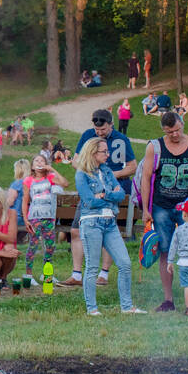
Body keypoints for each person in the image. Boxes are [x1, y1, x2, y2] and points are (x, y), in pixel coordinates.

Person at [59, 109, 138, 289]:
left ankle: (103, 273)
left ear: (111, 124)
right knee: (76, 230)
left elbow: (133, 166)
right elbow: (75, 161)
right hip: (90, 187)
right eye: (97, 130)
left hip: (112, 190)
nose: (99, 133)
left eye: (103, 130)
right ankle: (76, 274)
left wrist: (109, 175)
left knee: (108, 230)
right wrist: (90, 173)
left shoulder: (121, 140)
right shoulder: (88, 136)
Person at [139, 111, 188, 312]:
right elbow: (145, 178)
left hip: (187, 205)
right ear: (164, 131)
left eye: (178, 130)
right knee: (165, 250)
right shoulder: (155, 147)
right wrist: (146, 208)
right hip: (162, 205)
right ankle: (168, 299)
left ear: (182, 124)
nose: (175, 135)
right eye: (170, 132)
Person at [73, 138, 145, 316]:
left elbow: (120, 194)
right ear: (92, 153)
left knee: (125, 263)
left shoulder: (106, 171)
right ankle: (92, 308)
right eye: (104, 151)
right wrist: (109, 195)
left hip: (110, 222)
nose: (108, 155)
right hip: (92, 223)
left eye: (107, 151)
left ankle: (127, 307)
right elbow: (88, 201)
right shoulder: (81, 174)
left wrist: (103, 195)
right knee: (91, 267)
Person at [22, 153, 67, 290]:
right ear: (32, 166)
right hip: (34, 217)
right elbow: (25, 201)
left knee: (50, 245)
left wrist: (52, 169)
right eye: (36, 160)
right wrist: (25, 219)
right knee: (33, 245)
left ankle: (47, 274)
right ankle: (28, 275)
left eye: (42, 160)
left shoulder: (51, 178)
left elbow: (65, 183)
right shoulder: (28, 180)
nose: (39, 162)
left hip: (48, 217)